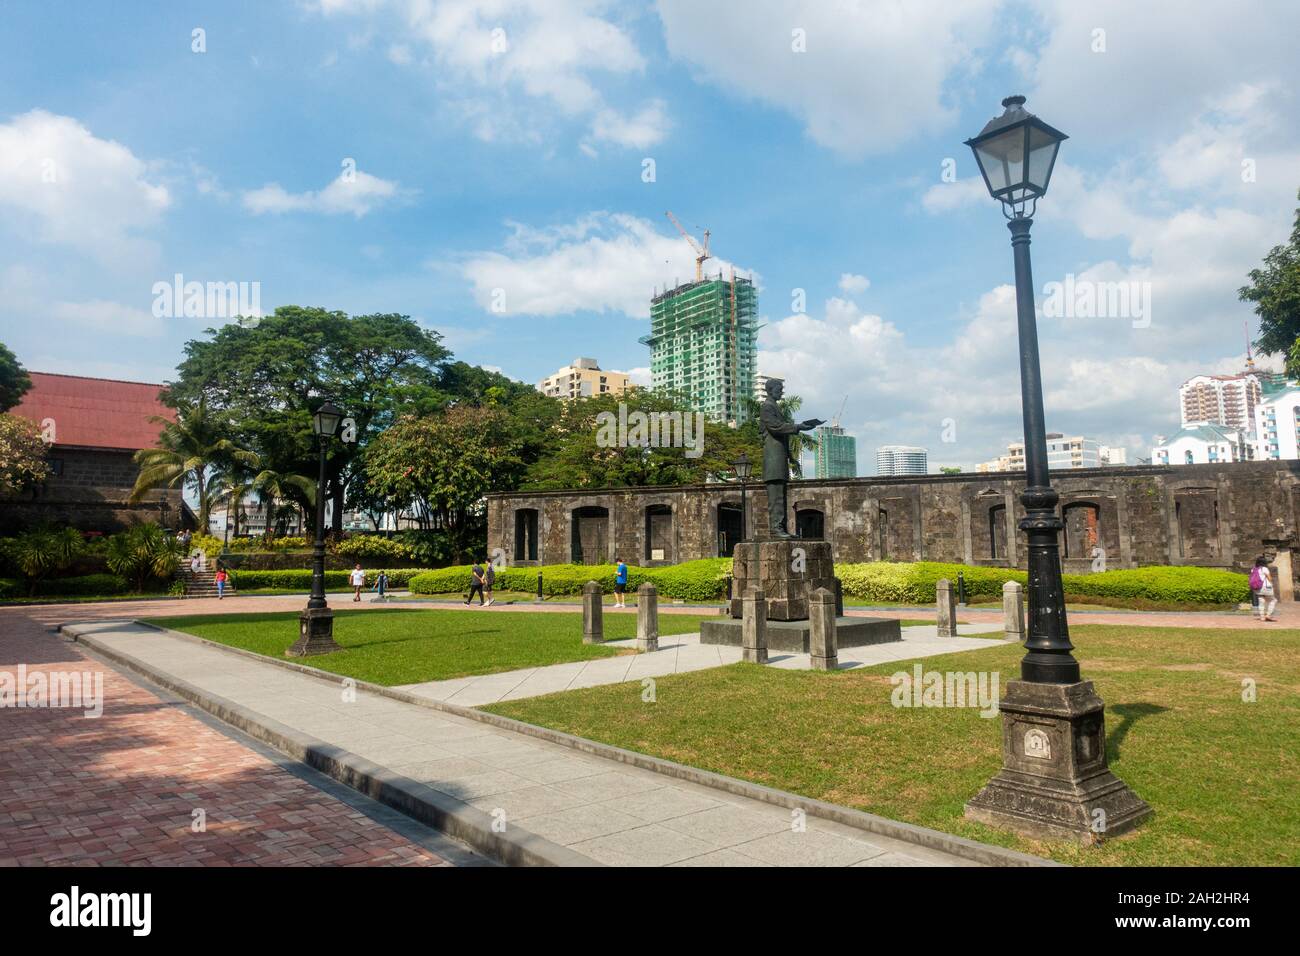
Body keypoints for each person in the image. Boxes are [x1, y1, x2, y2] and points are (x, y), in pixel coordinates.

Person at [1251, 556, 1278, 622]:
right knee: (1273, 600)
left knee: (1261, 602)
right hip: (1266, 587)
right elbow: (1270, 578)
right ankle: (1268, 615)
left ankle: (1262, 617)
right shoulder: (1264, 569)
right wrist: (1272, 584)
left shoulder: (1253, 569)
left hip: (1257, 588)